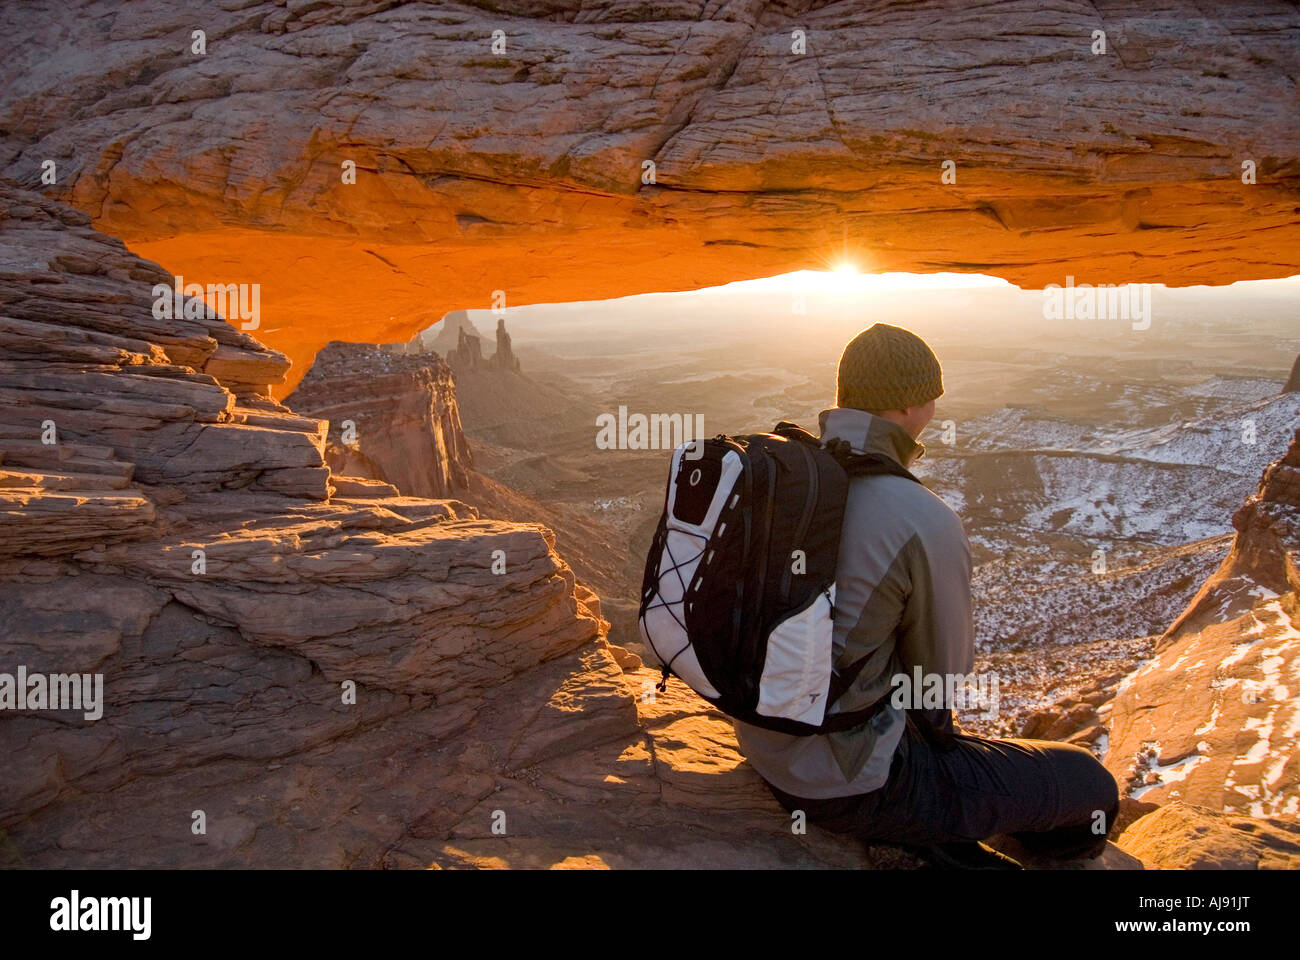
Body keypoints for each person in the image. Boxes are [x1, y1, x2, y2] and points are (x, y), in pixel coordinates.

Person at [731, 322, 1120, 869]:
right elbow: (938, 681)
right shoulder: (919, 517)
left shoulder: (790, 480)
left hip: (763, 741)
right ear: (916, 405)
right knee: (1089, 785)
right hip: (851, 781)